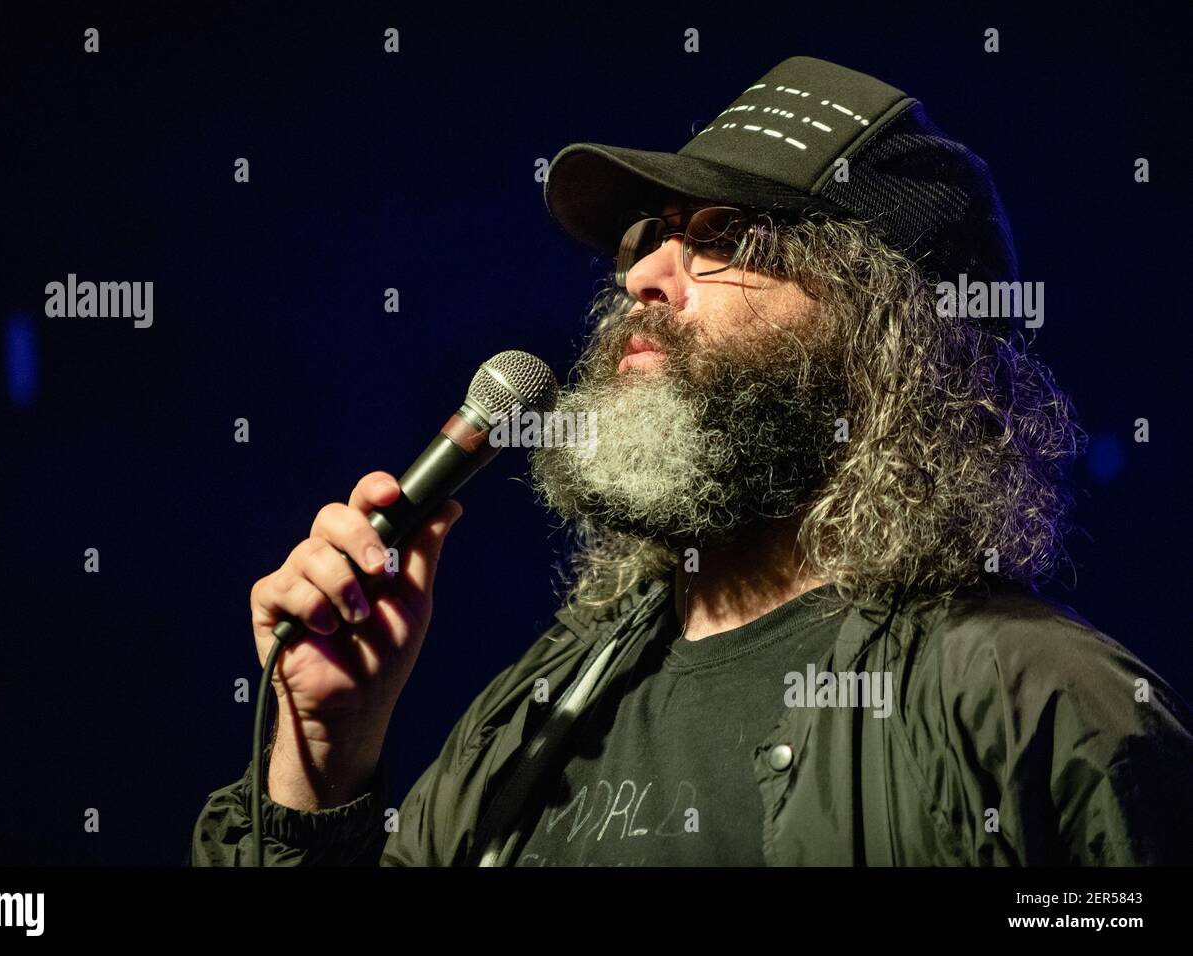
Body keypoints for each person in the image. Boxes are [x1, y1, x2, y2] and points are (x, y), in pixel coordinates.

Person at [191, 56, 1193, 866]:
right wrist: (317, 771)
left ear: (883, 333)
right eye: (648, 236)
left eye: (724, 238)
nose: (641, 275)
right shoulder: (544, 705)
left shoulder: (1035, 702)